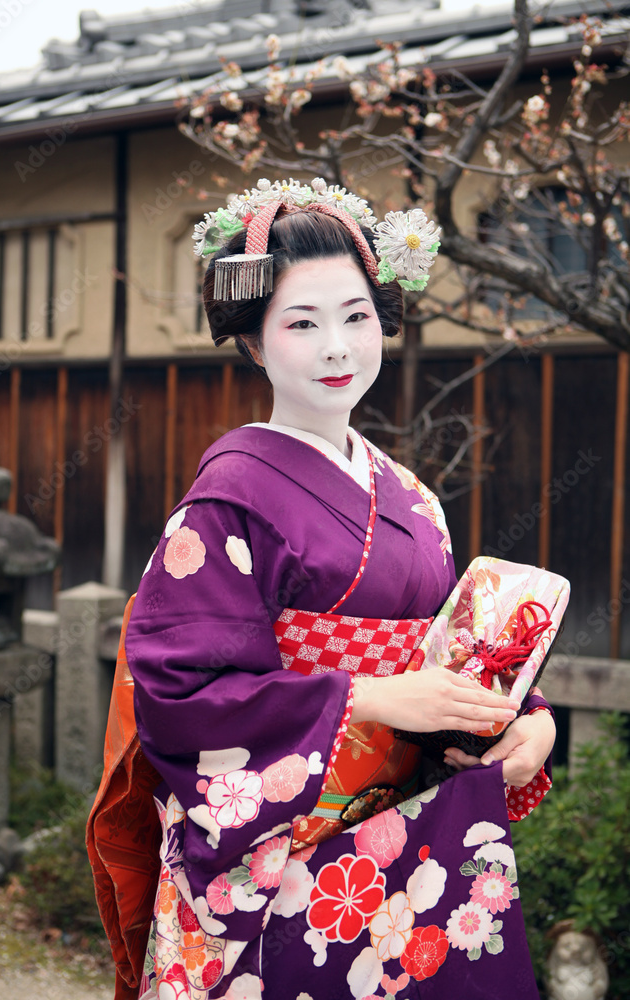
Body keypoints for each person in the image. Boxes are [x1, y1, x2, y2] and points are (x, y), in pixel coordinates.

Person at [88, 179, 562, 1000]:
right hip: (272, 858)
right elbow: (180, 691)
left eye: (355, 317)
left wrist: (522, 718)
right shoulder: (228, 499)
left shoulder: (413, 499)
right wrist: (370, 699)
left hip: (403, 851)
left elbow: (448, 653)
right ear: (252, 340)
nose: (337, 348)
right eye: (302, 324)